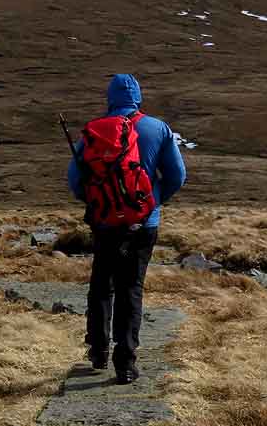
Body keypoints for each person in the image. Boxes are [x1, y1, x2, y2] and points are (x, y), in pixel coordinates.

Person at [67, 74, 187, 384]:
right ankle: (126, 362)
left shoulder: (93, 131)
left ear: (110, 98)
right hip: (143, 222)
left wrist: (98, 202)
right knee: (130, 288)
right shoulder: (157, 128)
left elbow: (74, 180)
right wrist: (154, 201)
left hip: (105, 222)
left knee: (101, 284)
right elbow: (177, 175)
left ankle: (97, 349)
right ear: (138, 97)